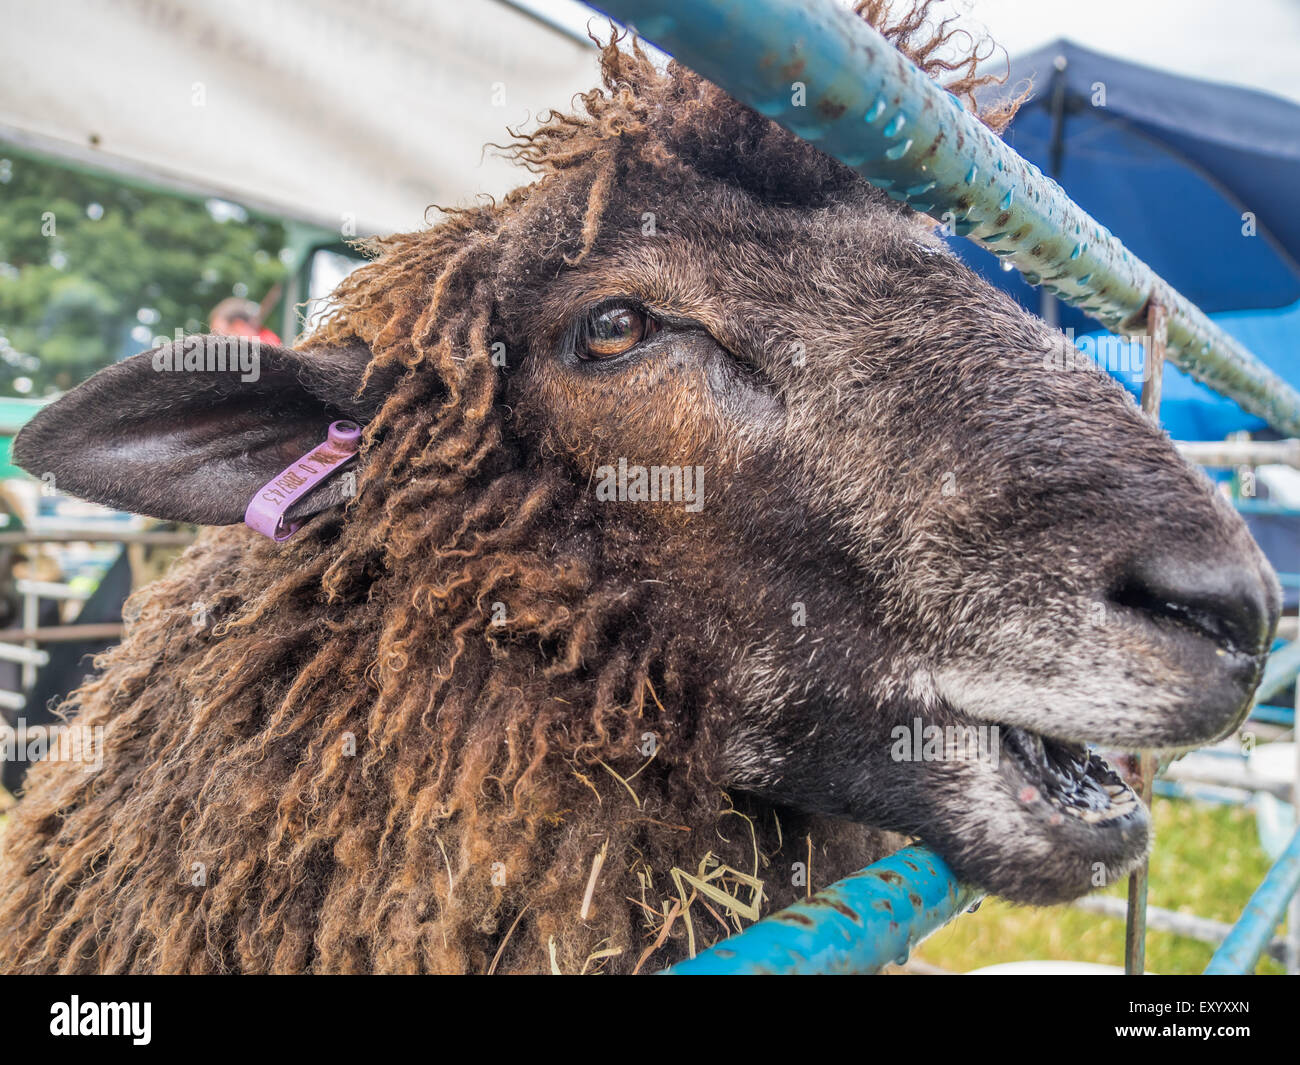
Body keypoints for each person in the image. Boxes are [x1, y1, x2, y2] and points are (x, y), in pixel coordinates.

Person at [208, 296, 281, 345]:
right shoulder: (270, 342)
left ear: (238, 326)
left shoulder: (267, 351)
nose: (217, 343)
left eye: (220, 336)